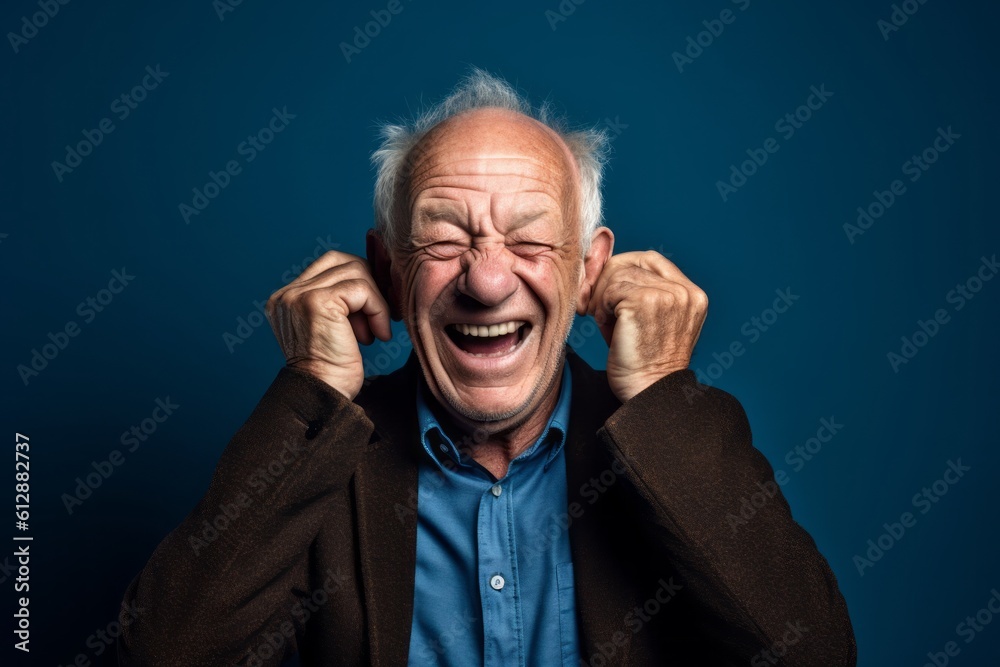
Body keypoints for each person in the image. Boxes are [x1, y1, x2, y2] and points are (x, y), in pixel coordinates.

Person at [119, 68, 856, 666]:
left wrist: (663, 393)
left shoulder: (672, 445)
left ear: (589, 272)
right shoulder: (325, 456)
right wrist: (311, 389)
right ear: (390, 271)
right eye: (444, 240)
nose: (488, 280)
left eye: (531, 239)